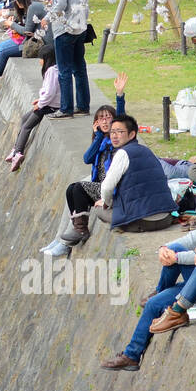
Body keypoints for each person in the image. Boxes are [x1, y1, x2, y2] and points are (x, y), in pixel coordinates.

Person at [100, 185, 196, 371]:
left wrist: (174, 257)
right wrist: (164, 248)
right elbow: (191, 239)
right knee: (153, 304)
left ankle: (169, 301)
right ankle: (132, 355)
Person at [54, 114, 177, 251]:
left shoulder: (123, 153)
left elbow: (106, 188)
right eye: (112, 132)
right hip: (165, 218)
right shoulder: (146, 150)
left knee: (96, 208)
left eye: (119, 132)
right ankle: (77, 230)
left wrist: (106, 203)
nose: (114, 136)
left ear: (132, 134)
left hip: (142, 221)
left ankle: (81, 230)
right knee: (76, 189)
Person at [40, 74, 127, 257]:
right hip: (100, 181)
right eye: (101, 118)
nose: (105, 121)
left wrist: (120, 95)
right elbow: (87, 158)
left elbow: (122, 117)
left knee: (79, 188)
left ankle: (74, 234)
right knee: (71, 189)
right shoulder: (101, 140)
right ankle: (64, 238)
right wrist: (97, 137)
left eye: (108, 118)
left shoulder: (118, 138)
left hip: (111, 186)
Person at [0, 46, 59, 171]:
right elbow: (49, 92)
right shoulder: (53, 70)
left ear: (46, 59)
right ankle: (16, 147)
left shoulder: (52, 71)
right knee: (25, 118)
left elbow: (50, 93)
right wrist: (40, 100)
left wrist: (40, 104)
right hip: (47, 103)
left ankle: (18, 152)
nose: (39, 61)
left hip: (50, 107)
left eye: (40, 58)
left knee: (27, 127)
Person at [46, 0, 90, 118]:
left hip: (64, 28)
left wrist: (47, 17)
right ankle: (83, 105)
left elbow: (60, 4)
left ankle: (66, 108)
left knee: (64, 70)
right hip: (81, 25)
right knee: (79, 68)